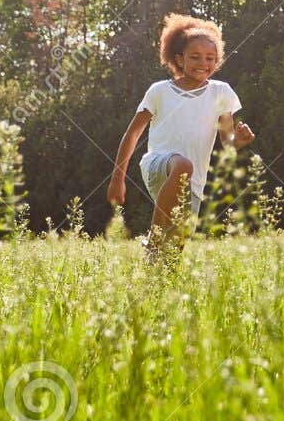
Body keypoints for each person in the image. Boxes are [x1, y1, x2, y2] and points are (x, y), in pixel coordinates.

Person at [108, 13, 253, 254]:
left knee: (172, 250)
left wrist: (239, 140)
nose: (202, 63)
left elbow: (227, 143)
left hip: (194, 183)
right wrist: (117, 179)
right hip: (158, 166)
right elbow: (132, 134)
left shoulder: (221, 92)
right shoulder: (160, 91)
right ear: (179, 59)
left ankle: (155, 276)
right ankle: (153, 239)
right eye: (194, 57)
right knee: (183, 165)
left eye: (210, 58)